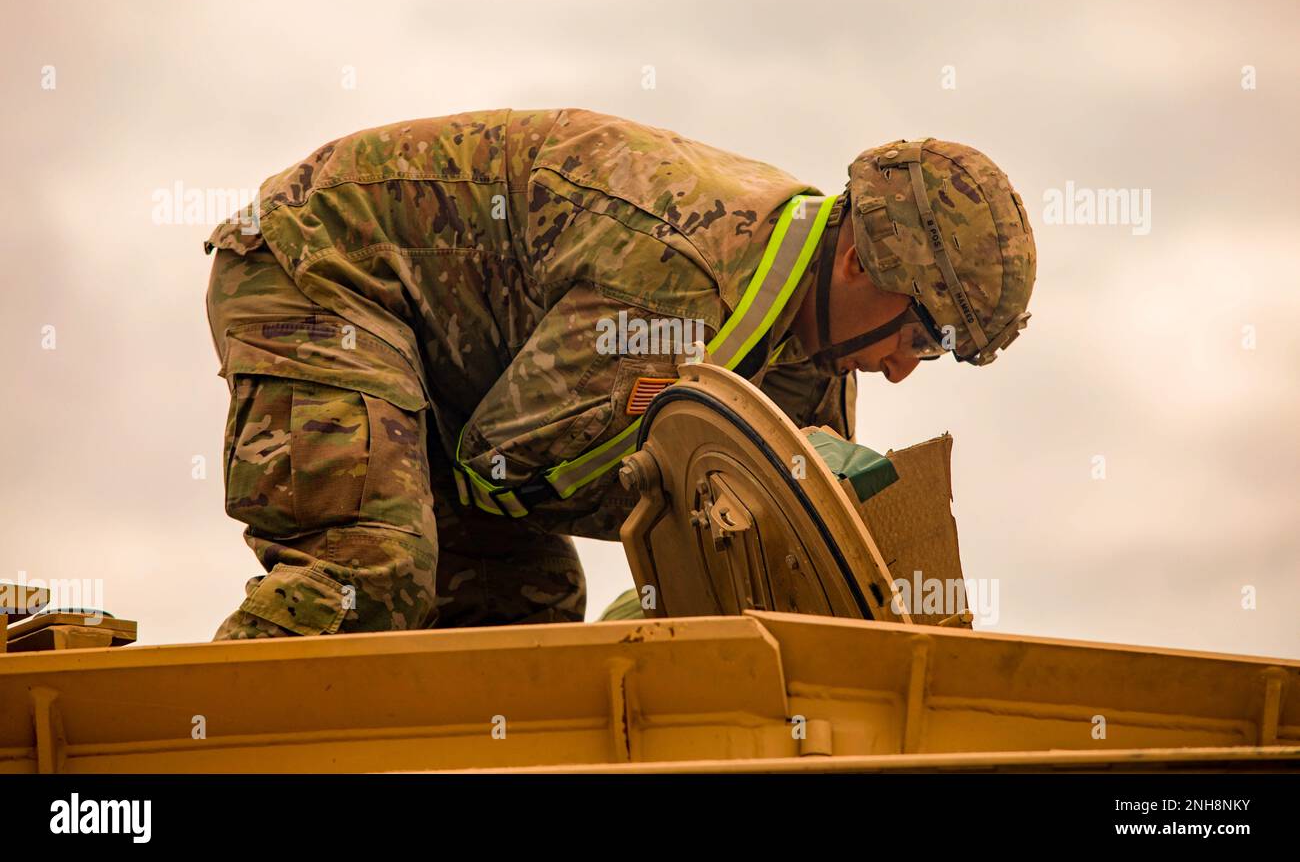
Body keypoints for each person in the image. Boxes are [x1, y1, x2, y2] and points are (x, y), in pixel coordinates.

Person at [203, 108, 1035, 639]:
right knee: (367, 573)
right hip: (325, 269)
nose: (901, 374)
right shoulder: (677, 273)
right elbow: (510, 460)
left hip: (455, 375)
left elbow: (783, 589)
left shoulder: (812, 371)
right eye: (925, 336)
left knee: (523, 611)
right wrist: (684, 560)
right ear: (860, 259)